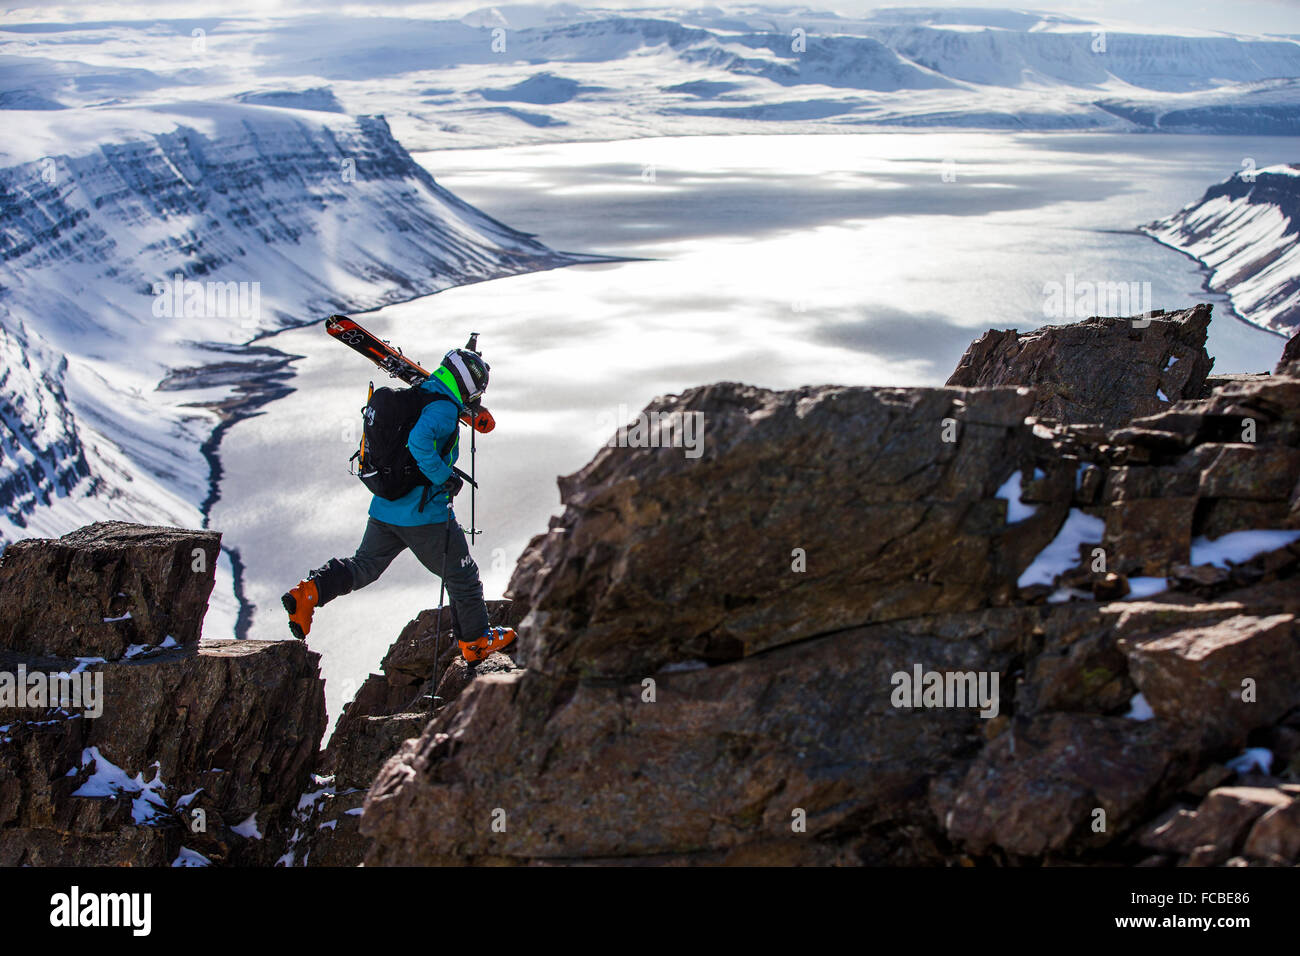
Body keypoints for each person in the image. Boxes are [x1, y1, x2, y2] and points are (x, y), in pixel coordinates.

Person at [281, 345, 516, 663]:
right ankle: (476, 643)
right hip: (423, 516)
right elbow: (419, 442)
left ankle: (309, 593)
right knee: (463, 576)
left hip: (385, 507)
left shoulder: (420, 395)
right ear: (469, 386)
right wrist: (443, 476)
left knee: (364, 566)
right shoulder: (444, 410)